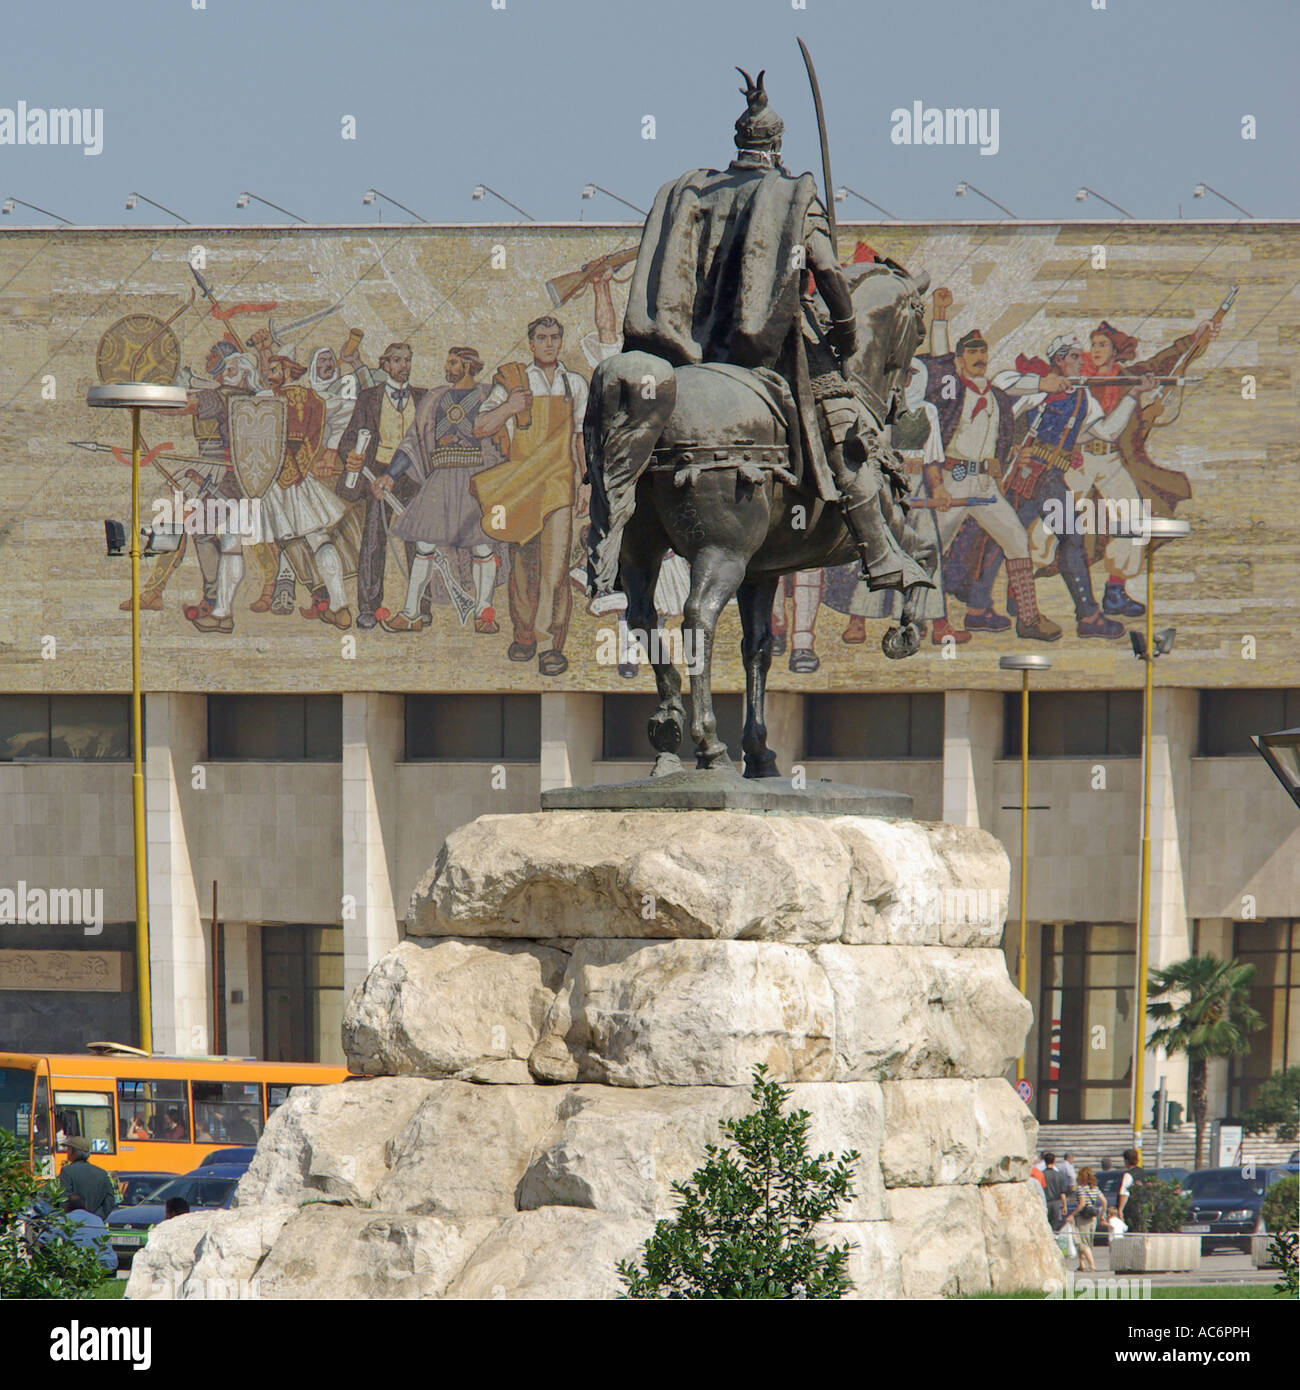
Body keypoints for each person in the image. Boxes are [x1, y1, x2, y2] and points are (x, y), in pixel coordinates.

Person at [57, 1135, 117, 1220]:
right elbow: (109, 1200)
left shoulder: (67, 1171)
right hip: (95, 1225)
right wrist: (97, 1218)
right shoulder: (102, 1173)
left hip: (74, 1223)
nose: (67, 1152)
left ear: (73, 1152)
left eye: (68, 1149)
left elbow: (64, 1198)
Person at [55, 1195, 118, 1273]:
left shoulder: (64, 1220)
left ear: (66, 1206)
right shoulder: (97, 1219)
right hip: (109, 1263)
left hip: (83, 1264)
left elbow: (42, 1242)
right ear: (85, 1206)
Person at [1070, 1166, 1106, 1272]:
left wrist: (1073, 1213)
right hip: (1093, 1218)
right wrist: (1102, 1215)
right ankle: (1081, 1264)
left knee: (1081, 1242)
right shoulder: (1095, 1189)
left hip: (1083, 1218)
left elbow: (1082, 1203)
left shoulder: (1081, 1189)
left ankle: (1092, 1265)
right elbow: (1104, 1202)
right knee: (1087, 1240)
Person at [1117, 1147, 1146, 1226]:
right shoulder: (1143, 1172)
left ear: (1126, 1161)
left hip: (1131, 1209)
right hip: (1143, 1206)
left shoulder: (1128, 1174)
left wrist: (1120, 1209)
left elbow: (1125, 1193)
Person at [1041, 1151, 1068, 1232]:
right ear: (1054, 1161)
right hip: (1056, 1203)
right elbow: (1062, 1193)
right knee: (1055, 1226)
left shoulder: (1041, 1175)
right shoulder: (1059, 1175)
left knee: (1045, 1225)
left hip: (1045, 1202)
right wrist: (1064, 1205)